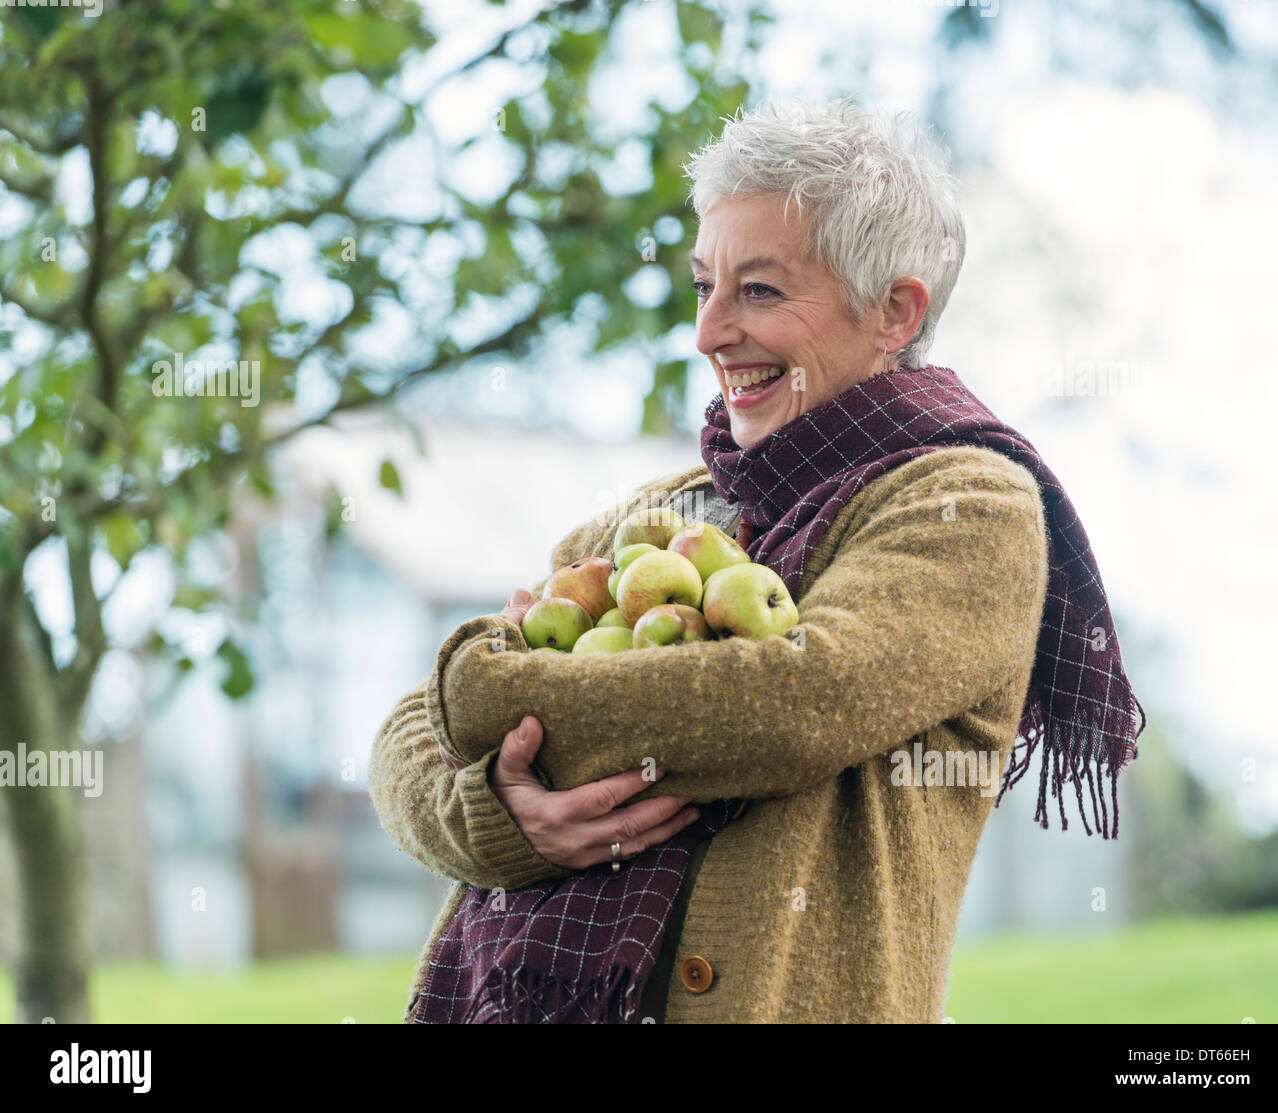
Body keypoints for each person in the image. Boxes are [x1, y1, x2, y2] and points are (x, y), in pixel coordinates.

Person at [368, 97, 1145, 1024]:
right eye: (704, 286)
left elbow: (793, 701)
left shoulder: (965, 506)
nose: (709, 333)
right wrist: (502, 816)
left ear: (894, 309)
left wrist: (491, 696)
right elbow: (406, 737)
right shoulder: (662, 516)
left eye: (761, 291)